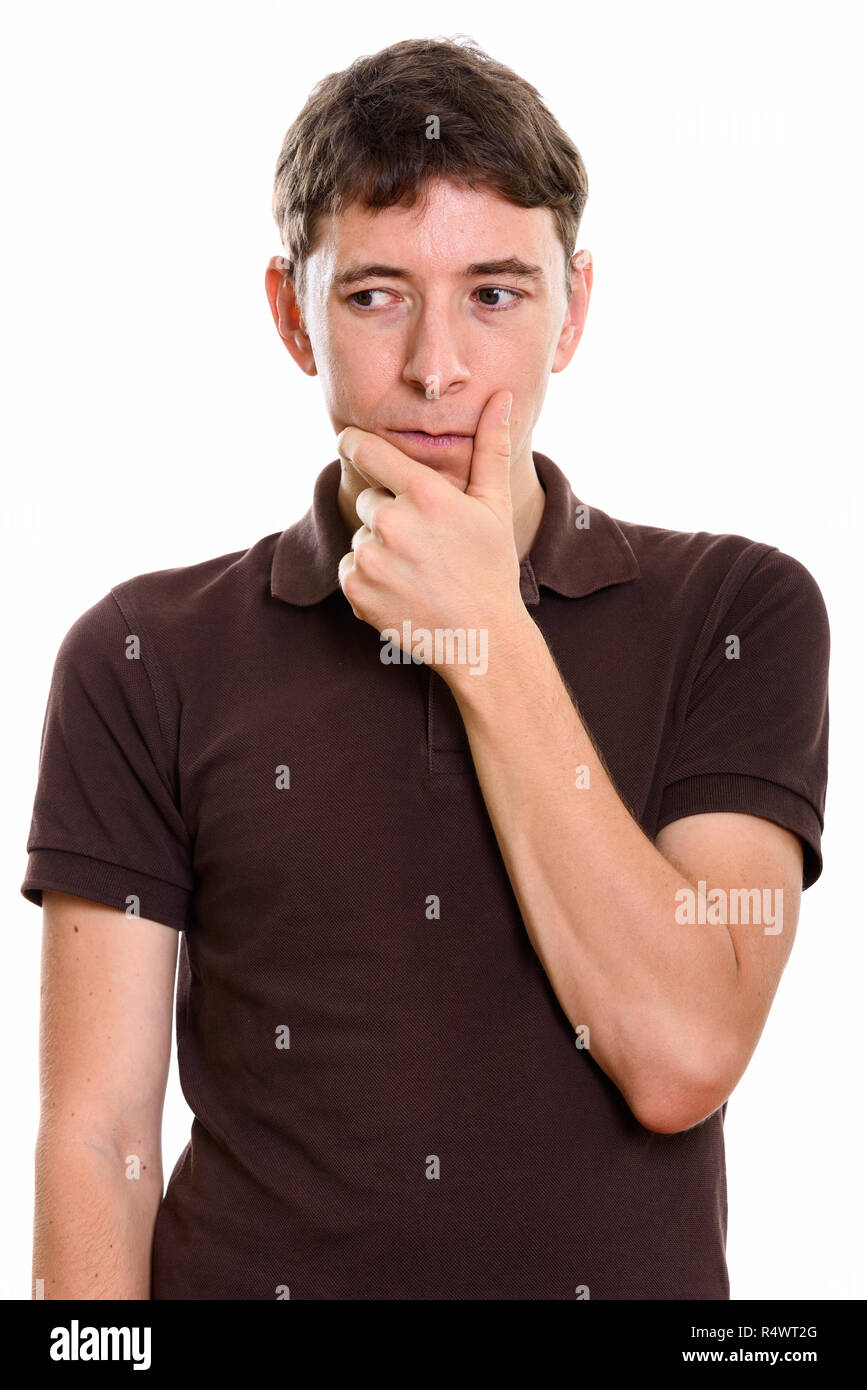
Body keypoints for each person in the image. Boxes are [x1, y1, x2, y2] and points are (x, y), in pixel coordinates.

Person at [23, 35, 829, 1301]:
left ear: (576, 311)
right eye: (376, 294)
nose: (437, 369)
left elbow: (684, 1051)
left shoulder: (740, 610)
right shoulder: (143, 656)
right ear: (294, 313)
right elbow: (101, 1139)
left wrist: (487, 636)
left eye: (497, 295)